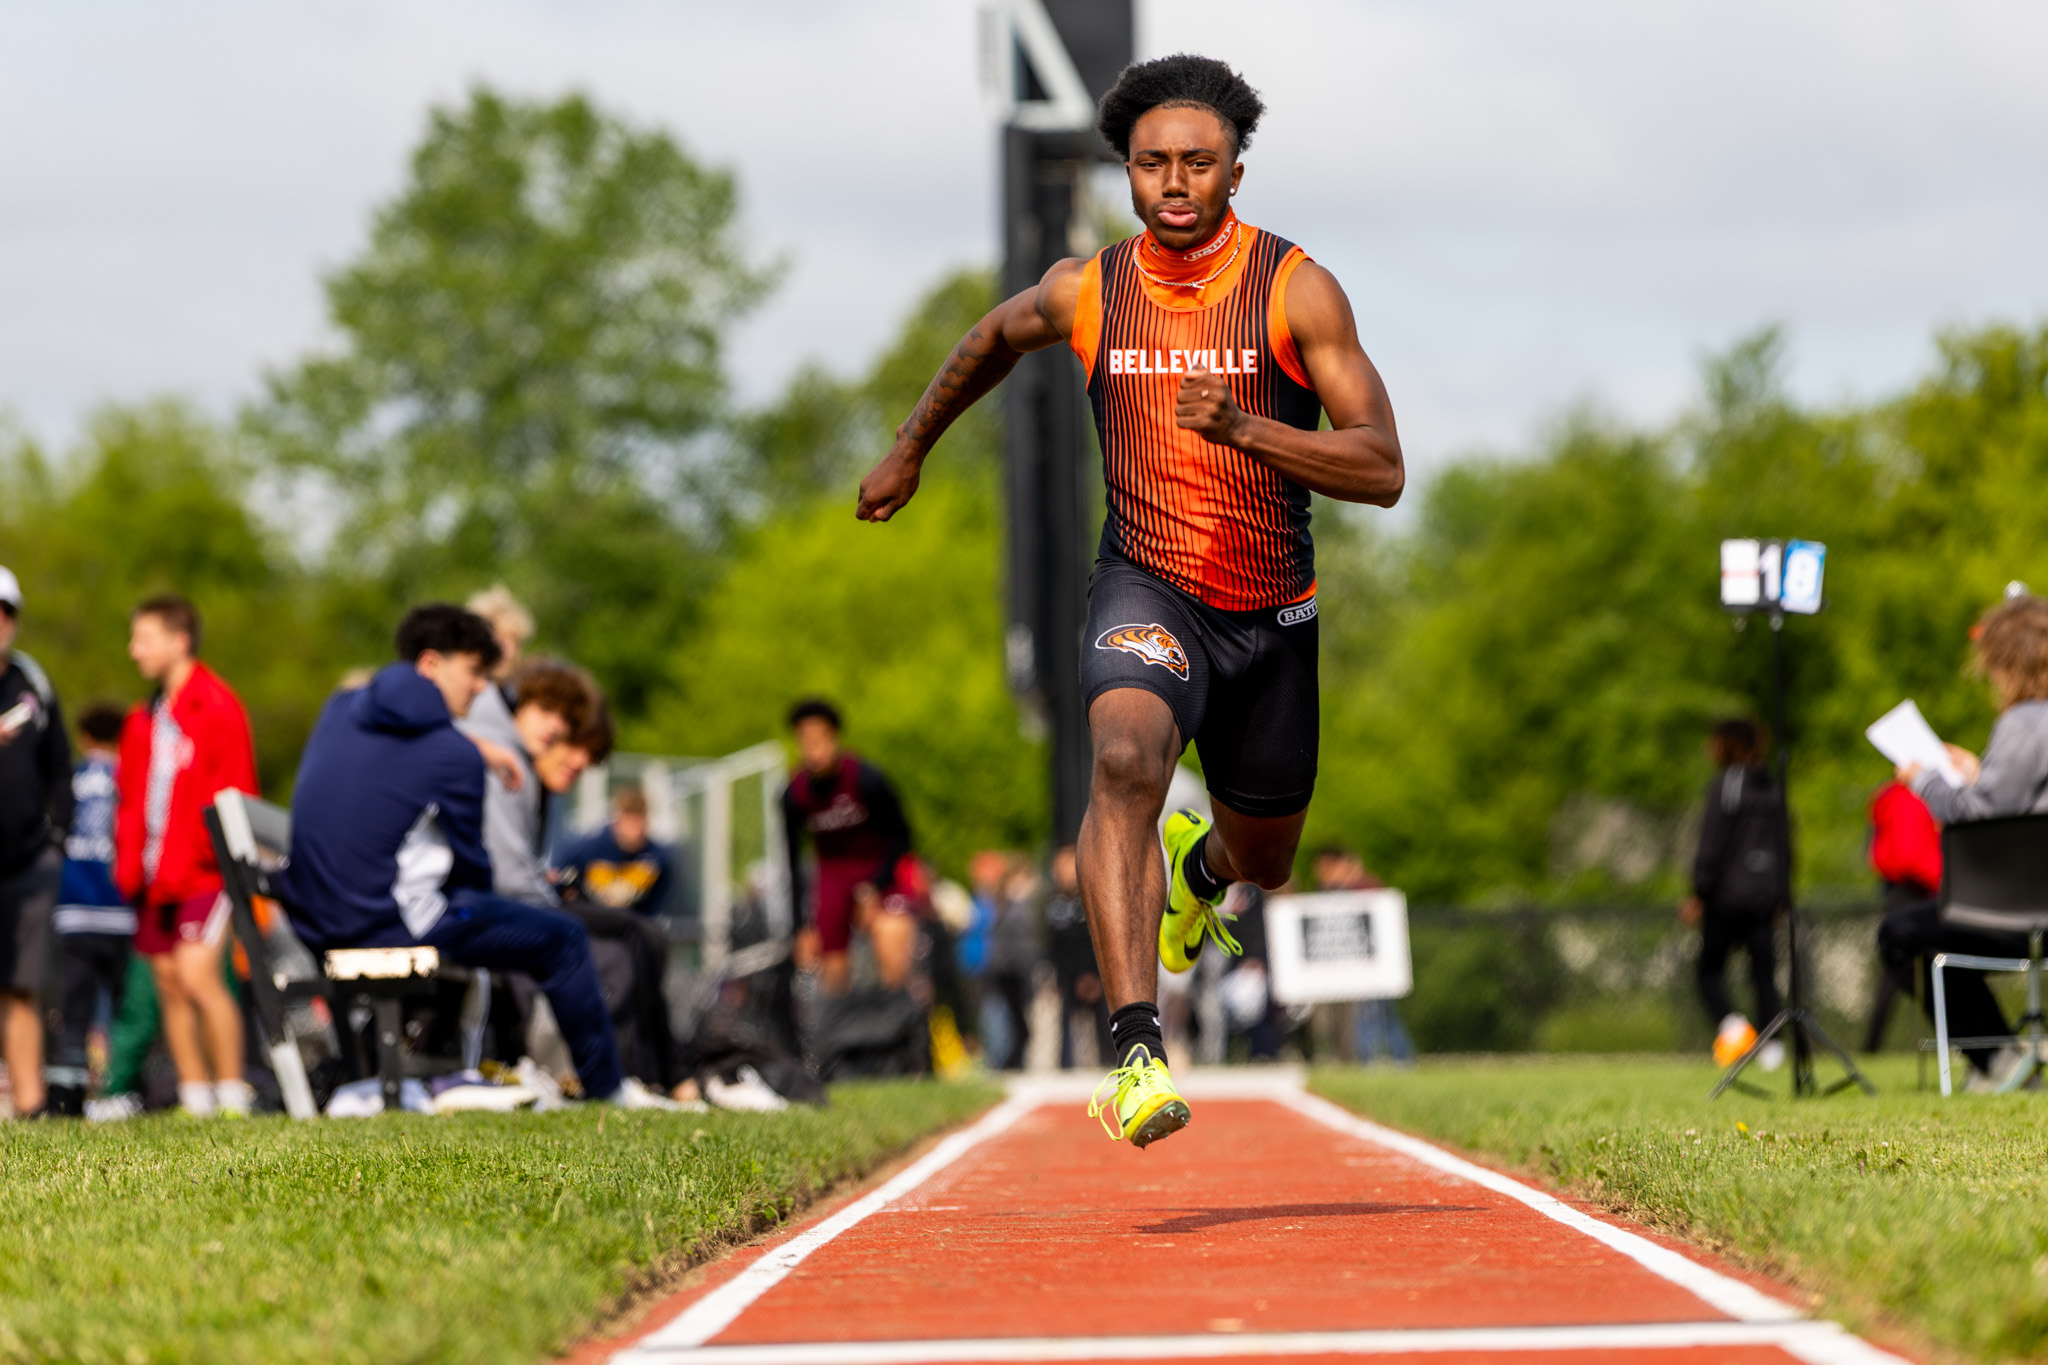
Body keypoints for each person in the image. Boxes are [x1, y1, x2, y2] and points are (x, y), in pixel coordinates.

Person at [855, 55, 1403, 1145]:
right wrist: (911, 444)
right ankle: (1136, 1051)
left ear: (1233, 172)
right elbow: (989, 340)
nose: (1173, 182)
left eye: (1196, 163)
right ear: (1128, 172)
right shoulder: (1087, 289)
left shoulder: (1295, 288)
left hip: (1270, 613)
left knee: (1267, 858)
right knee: (1119, 760)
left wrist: (1245, 426)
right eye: (1151, 163)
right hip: (1144, 582)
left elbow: (1380, 467)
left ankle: (1200, 875)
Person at [280, 604, 654, 1108]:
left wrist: (473, 743)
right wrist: (473, 752)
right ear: (432, 665)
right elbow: (474, 868)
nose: (483, 688)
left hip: (313, 920)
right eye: (475, 672)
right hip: (386, 925)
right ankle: (608, 1089)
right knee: (562, 937)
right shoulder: (452, 757)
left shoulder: (341, 707)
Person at [1882, 592, 2048, 1086]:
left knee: (1902, 933)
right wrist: (1979, 773)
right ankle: (2000, 1061)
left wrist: (1924, 781)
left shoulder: (2023, 723)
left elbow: (1977, 818)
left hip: (2022, 912)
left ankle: (1996, 1061)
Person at [114, 595, 258, 1118]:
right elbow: (131, 797)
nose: (134, 651)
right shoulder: (144, 717)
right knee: (170, 983)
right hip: (153, 874)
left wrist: (209, 856)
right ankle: (195, 1094)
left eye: (144, 638)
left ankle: (233, 1091)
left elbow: (235, 790)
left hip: (202, 872)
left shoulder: (216, 705)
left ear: (178, 641)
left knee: (200, 977)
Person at [780, 700, 914, 996]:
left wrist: (875, 886)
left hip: (877, 867)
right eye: (806, 740)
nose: (813, 749)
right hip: (832, 874)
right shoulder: (794, 794)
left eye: (820, 739)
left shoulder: (866, 778)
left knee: (891, 938)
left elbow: (903, 836)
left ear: (834, 738)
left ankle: (899, 1020)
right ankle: (841, 1032)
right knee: (829, 969)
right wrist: (801, 926)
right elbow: (790, 861)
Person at [0, 565, 71, 1118]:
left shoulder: (34, 686)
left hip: (28, 859)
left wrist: (58, 836)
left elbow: (59, 769)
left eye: (5, 613)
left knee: (23, 986)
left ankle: (31, 1104)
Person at [1679, 718, 1788, 1071]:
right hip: (1764, 896)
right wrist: (1782, 893)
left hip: (1727, 895)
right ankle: (1772, 1046)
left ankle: (1734, 1025)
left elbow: (1713, 840)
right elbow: (1786, 842)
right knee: (1762, 974)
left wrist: (1699, 890)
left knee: (1709, 970)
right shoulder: (1772, 784)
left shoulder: (1727, 784)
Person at [45, 704, 134, 1116]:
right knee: (121, 1007)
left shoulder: (72, 778)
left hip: (75, 908)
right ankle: (120, 1089)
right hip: (120, 910)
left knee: (74, 1010)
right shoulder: (129, 778)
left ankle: (69, 1093)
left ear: (83, 737)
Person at [1313, 846, 1414, 1064]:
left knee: (1379, 1018)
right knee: (1367, 1019)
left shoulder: (1366, 887)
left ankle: (1398, 1060)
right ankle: (1375, 1061)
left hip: (1376, 967)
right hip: (1359, 968)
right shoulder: (1336, 891)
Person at [1862, 779, 1941, 1050]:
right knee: (1903, 970)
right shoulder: (1912, 798)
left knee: (1900, 972)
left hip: (1896, 888)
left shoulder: (1888, 797)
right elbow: (1913, 856)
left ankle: (1872, 1046)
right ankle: (1872, 1046)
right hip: (1917, 888)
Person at [555, 785, 672, 919]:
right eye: (629, 821)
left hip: (631, 925)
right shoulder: (587, 849)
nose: (634, 830)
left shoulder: (656, 858)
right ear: (617, 820)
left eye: (638, 821)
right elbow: (559, 883)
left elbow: (653, 905)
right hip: (591, 921)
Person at [1045, 845, 1113, 1068]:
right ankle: (1064, 1070)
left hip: (1097, 974)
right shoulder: (1053, 907)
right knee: (1064, 1029)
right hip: (1067, 978)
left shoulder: (1095, 900)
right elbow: (1053, 949)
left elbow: (1102, 940)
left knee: (1106, 1026)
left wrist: (1093, 976)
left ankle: (1113, 1067)